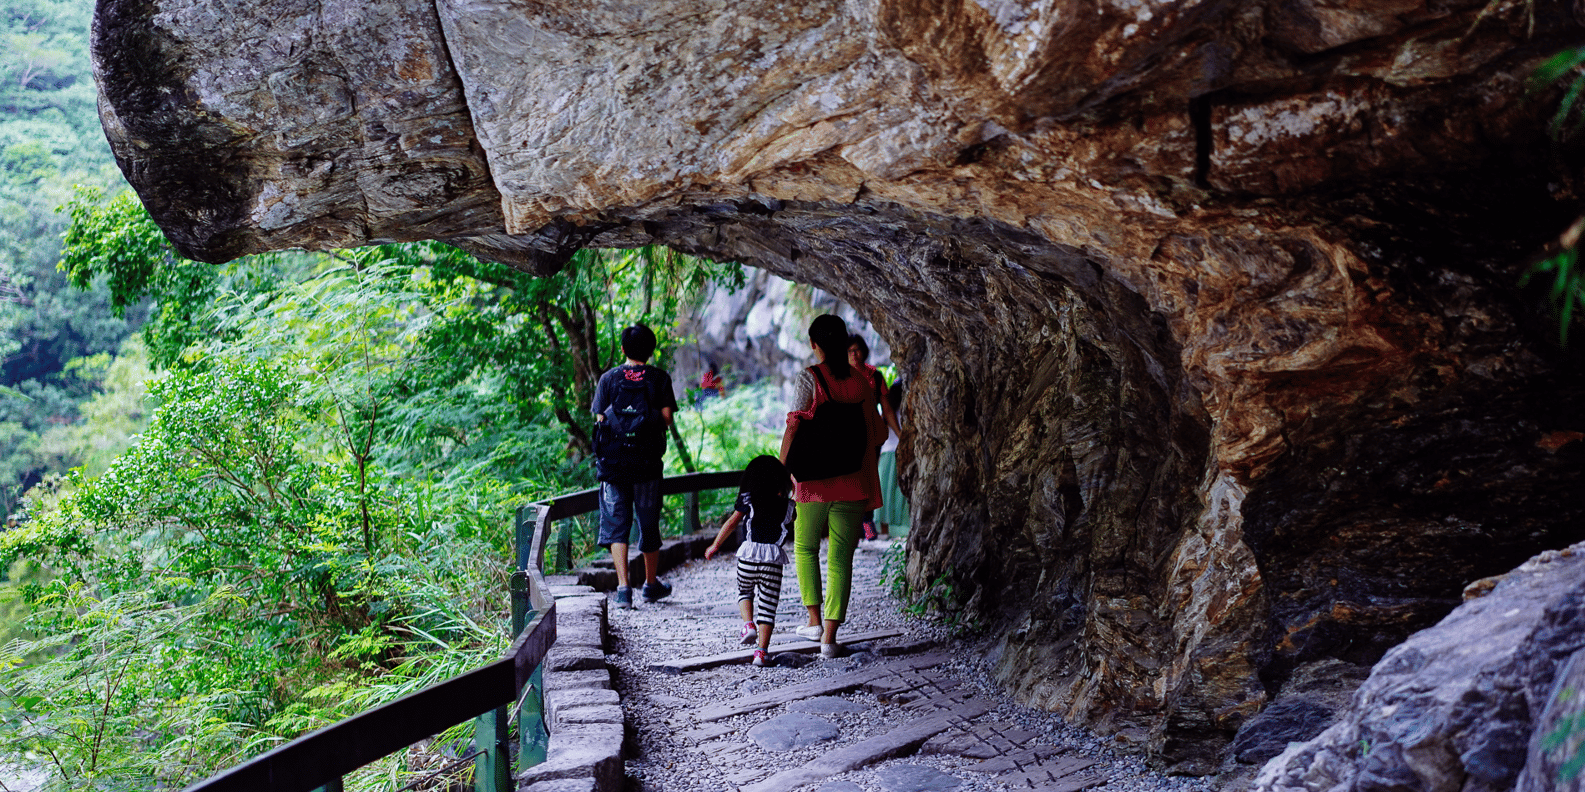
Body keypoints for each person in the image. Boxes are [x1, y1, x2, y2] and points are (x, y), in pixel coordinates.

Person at [780, 314, 887, 658]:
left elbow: (794, 426)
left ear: (815, 345)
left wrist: (782, 469)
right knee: (842, 559)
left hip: (814, 483)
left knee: (806, 548)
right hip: (853, 482)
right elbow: (879, 433)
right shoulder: (861, 382)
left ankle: (812, 620)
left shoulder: (809, 378)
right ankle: (829, 638)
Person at [591, 323, 678, 608]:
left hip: (614, 466)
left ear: (624, 349)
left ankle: (623, 589)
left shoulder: (608, 379)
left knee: (617, 525)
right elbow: (666, 419)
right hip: (647, 465)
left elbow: (600, 421)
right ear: (651, 351)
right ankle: (650, 585)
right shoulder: (659, 378)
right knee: (648, 522)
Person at [704, 455, 795, 668]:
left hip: (748, 556)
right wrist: (788, 488)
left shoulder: (747, 501)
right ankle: (761, 653)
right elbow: (794, 511)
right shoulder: (788, 507)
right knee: (768, 606)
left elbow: (732, 522)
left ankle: (747, 625)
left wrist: (715, 545)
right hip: (773, 559)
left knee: (744, 591)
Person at [847, 334, 903, 540]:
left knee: (870, 480)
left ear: (865, 351)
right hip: (846, 437)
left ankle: (867, 525)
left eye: (857, 349)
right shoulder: (839, 376)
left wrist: (900, 435)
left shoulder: (874, 376)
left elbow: (887, 408)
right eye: (850, 351)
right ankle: (851, 525)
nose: (854, 354)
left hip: (871, 435)